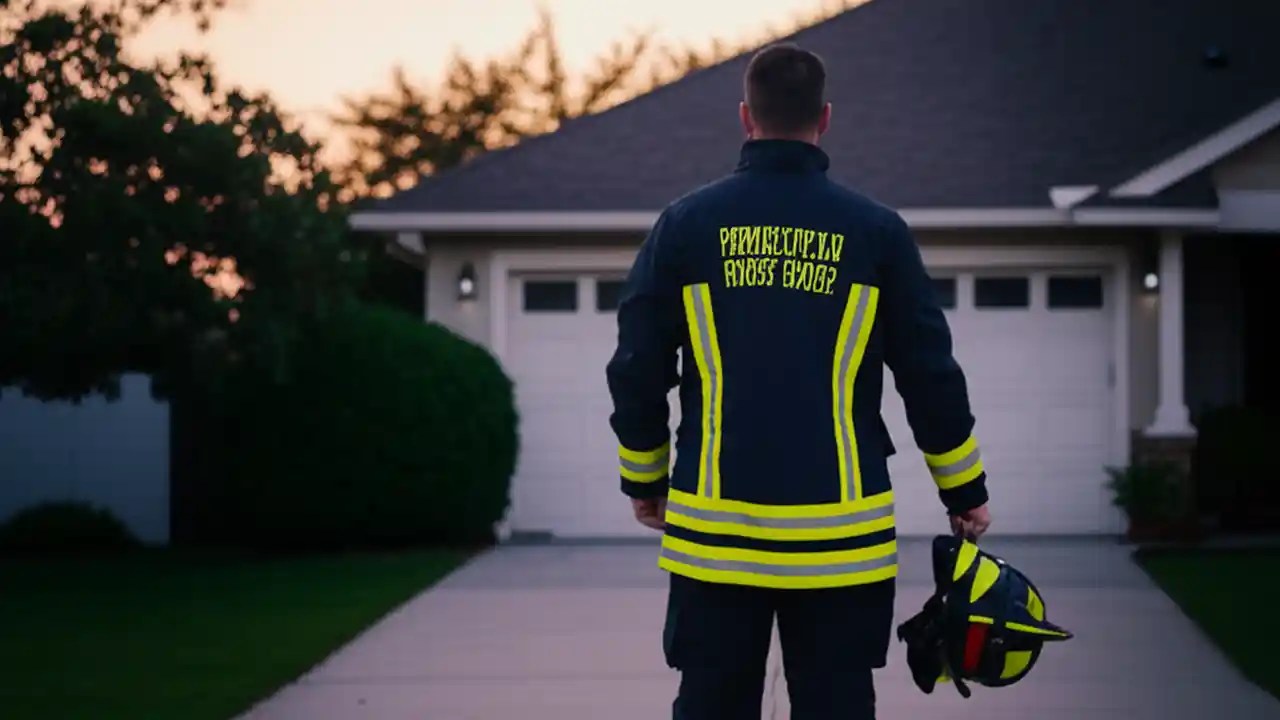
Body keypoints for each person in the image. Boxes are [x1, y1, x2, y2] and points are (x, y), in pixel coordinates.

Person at [605, 42, 991, 720]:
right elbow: (930, 373)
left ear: (745, 117)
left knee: (712, 706)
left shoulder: (685, 227)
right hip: (843, 546)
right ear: (826, 118)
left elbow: (637, 367)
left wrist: (644, 480)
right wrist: (964, 490)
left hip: (715, 542)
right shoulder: (876, 233)